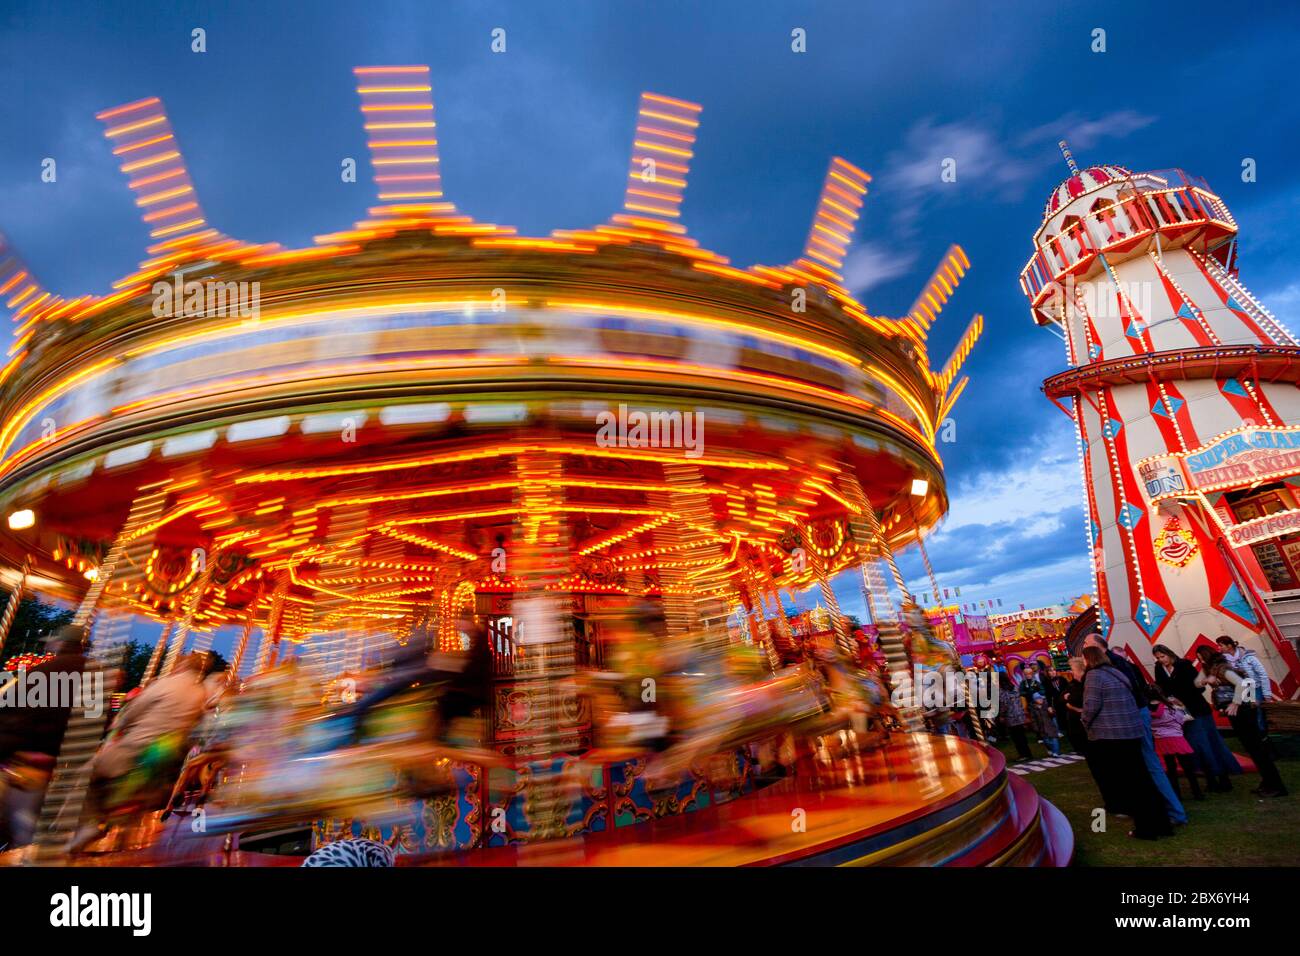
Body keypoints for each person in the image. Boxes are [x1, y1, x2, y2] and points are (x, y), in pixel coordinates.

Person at [67, 653, 210, 854]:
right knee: (145, 796)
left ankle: (89, 823)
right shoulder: (200, 693)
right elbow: (198, 724)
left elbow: (134, 710)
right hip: (167, 756)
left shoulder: (166, 684)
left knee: (85, 775)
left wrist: (120, 726)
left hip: (137, 746)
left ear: (182, 665)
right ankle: (126, 841)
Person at [1083, 633, 1187, 826]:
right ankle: (1159, 809)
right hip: (1133, 717)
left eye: (1087, 644)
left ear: (1098, 646)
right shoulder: (1118, 665)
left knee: (1146, 765)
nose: (1084, 647)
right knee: (1141, 767)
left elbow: (1105, 700)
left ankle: (1171, 811)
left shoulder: (1110, 668)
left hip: (1130, 719)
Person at [0, 625, 87, 848]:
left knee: (23, 821)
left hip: (33, 757)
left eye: (52, 641)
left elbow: (15, 714)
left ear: (60, 644)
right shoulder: (94, 675)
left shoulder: (41, 672)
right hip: (69, 759)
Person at [1195, 646, 1287, 797]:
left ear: (1206, 656)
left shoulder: (1223, 669)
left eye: (1201, 657)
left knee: (1257, 749)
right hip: (1237, 713)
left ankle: (1276, 786)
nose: (1200, 660)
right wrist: (1206, 680)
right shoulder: (1212, 670)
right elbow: (1197, 683)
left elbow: (1246, 683)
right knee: (1252, 749)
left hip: (1243, 712)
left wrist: (1236, 702)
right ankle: (1267, 782)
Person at [1152, 643, 1238, 791]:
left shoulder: (1184, 665)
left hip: (1197, 709)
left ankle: (1222, 777)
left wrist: (1182, 697)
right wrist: (1169, 699)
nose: (1161, 660)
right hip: (1181, 713)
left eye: (1163, 656)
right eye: (1158, 657)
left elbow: (1198, 686)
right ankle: (1211, 778)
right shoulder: (1159, 668)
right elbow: (1161, 687)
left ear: (1170, 654)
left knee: (1208, 743)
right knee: (1196, 746)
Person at [1146, 683, 1202, 801]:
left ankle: (1176, 794)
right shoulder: (1169, 707)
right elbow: (1182, 719)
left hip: (1161, 740)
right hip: (1177, 738)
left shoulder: (1146, 710)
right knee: (1188, 768)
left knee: (1171, 769)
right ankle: (1197, 793)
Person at [1215, 636, 1272, 734]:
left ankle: (1262, 736)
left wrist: (1267, 694)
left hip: (1254, 688)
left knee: (1257, 713)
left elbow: (1263, 674)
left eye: (1221, 645)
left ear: (1229, 646)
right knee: (1247, 715)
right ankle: (1253, 736)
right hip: (1237, 691)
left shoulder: (1249, 657)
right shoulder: (1223, 661)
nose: (1219, 648)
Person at [997, 670, 1033, 761]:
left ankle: (1023, 754)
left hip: (1011, 716)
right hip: (1019, 714)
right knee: (1022, 736)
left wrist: (1001, 715)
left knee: (1016, 737)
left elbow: (1004, 704)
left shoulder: (1002, 691)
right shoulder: (1014, 688)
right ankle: (1028, 753)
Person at [1059, 657, 1090, 757]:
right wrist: (1068, 702)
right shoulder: (1072, 683)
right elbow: (1061, 698)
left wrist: (1069, 699)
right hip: (1074, 722)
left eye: (1072, 669)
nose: (1070, 672)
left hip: (1085, 723)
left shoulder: (1087, 682)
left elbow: (1079, 699)